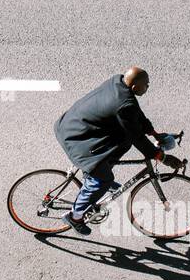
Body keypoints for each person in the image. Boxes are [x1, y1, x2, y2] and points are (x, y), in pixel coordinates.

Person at [53, 67, 182, 234]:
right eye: (146, 85)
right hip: (77, 138)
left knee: (122, 140)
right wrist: (162, 157)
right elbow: (138, 139)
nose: (148, 87)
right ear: (135, 87)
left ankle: (94, 176)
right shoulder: (124, 105)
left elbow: (137, 116)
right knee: (104, 179)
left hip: (73, 124)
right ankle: (75, 217)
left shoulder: (118, 82)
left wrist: (155, 134)